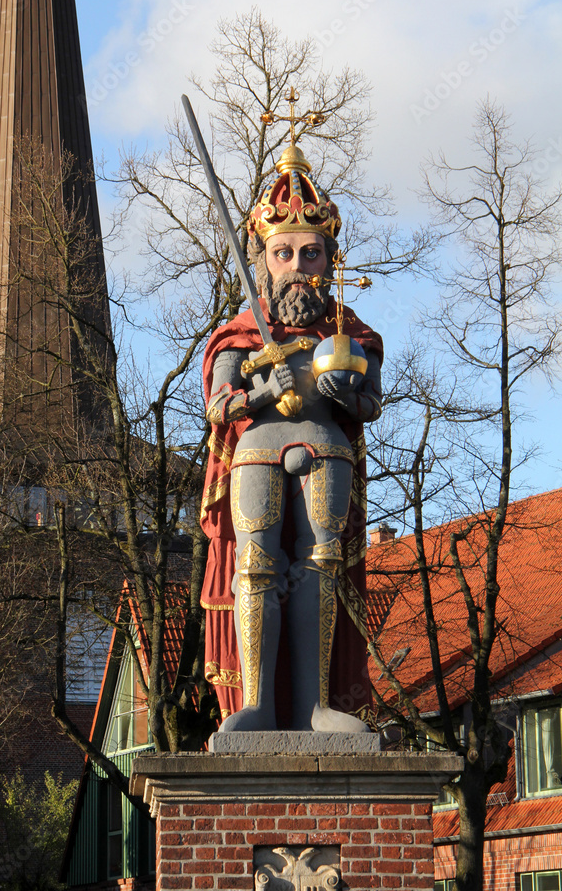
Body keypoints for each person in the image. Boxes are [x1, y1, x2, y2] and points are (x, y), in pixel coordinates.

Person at [200, 142, 383, 732]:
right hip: (258, 451)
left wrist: (344, 396)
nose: (299, 265)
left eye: (311, 253)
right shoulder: (240, 335)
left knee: (322, 562)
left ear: (330, 260)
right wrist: (259, 390)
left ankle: (316, 705)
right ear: (264, 258)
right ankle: (258, 705)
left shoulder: (352, 332)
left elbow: (370, 403)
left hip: (328, 448)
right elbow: (219, 407)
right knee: (257, 566)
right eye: (285, 253)